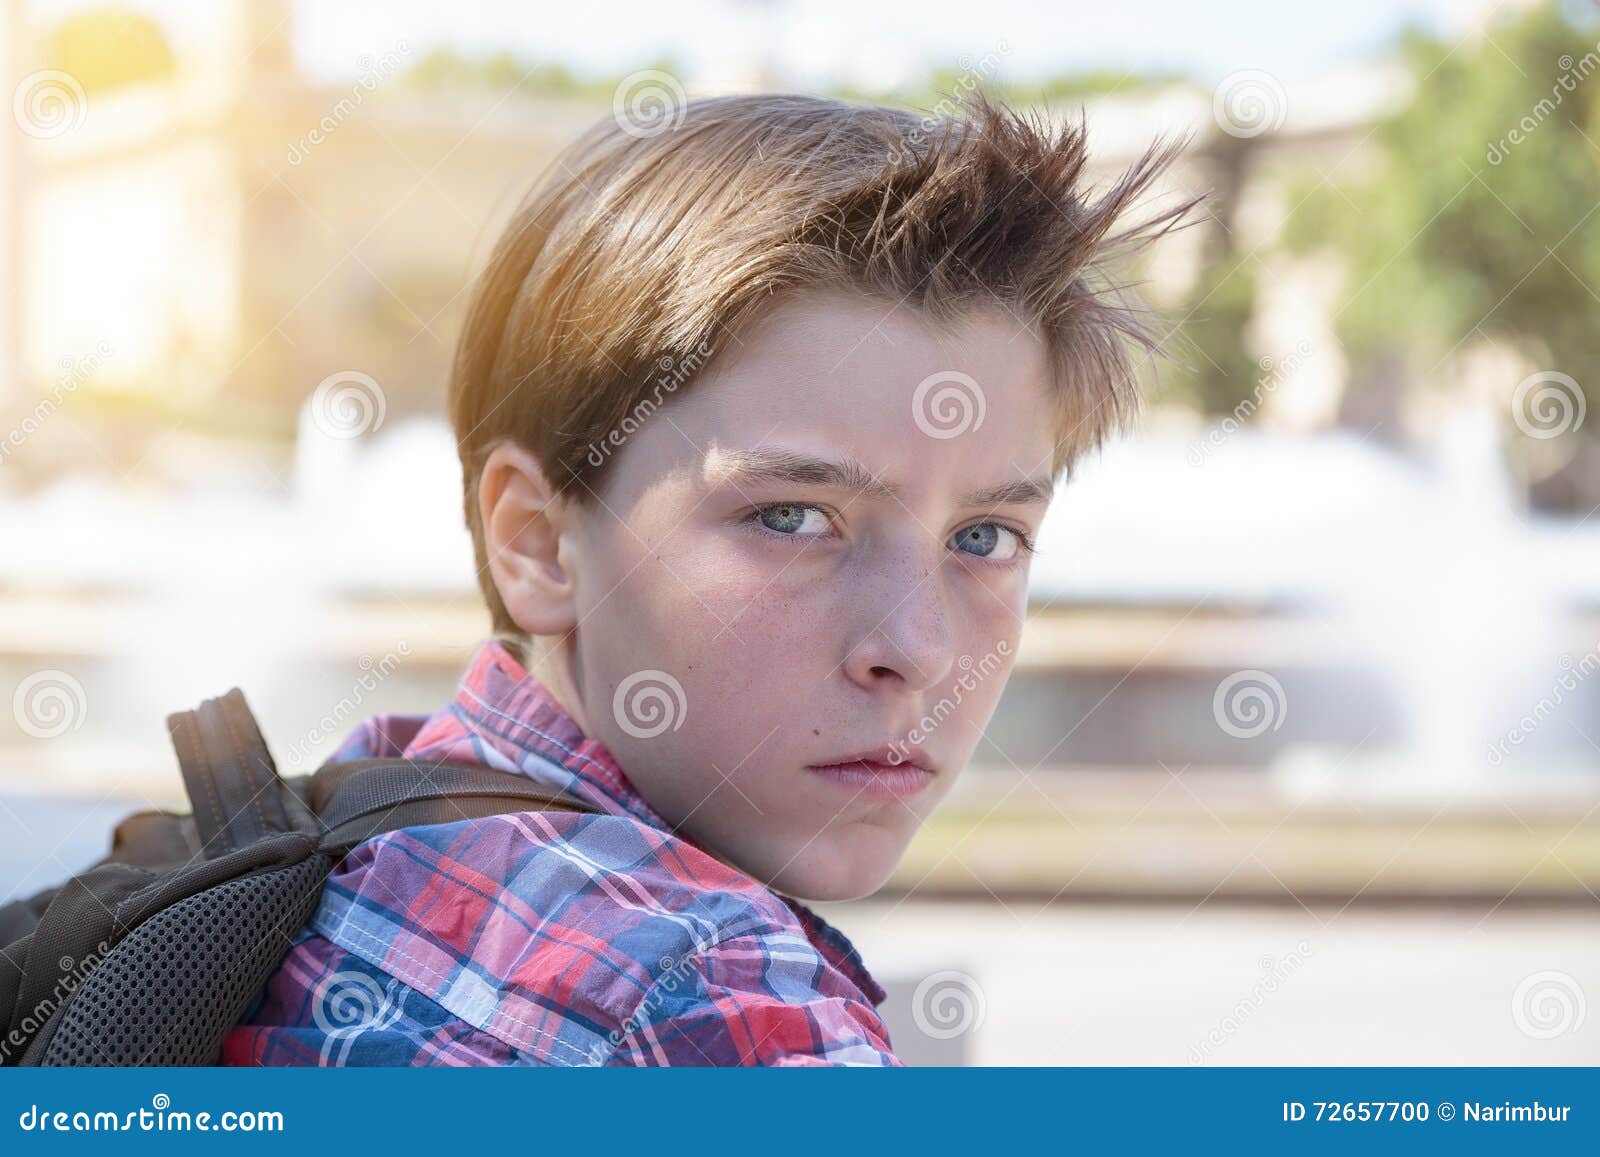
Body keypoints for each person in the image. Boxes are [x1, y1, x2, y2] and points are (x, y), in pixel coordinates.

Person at [223, 91, 1187, 1066]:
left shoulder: (347, 834)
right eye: (792, 518)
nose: (918, 649)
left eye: (985, 536)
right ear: (536, 541)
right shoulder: (720, 1010)